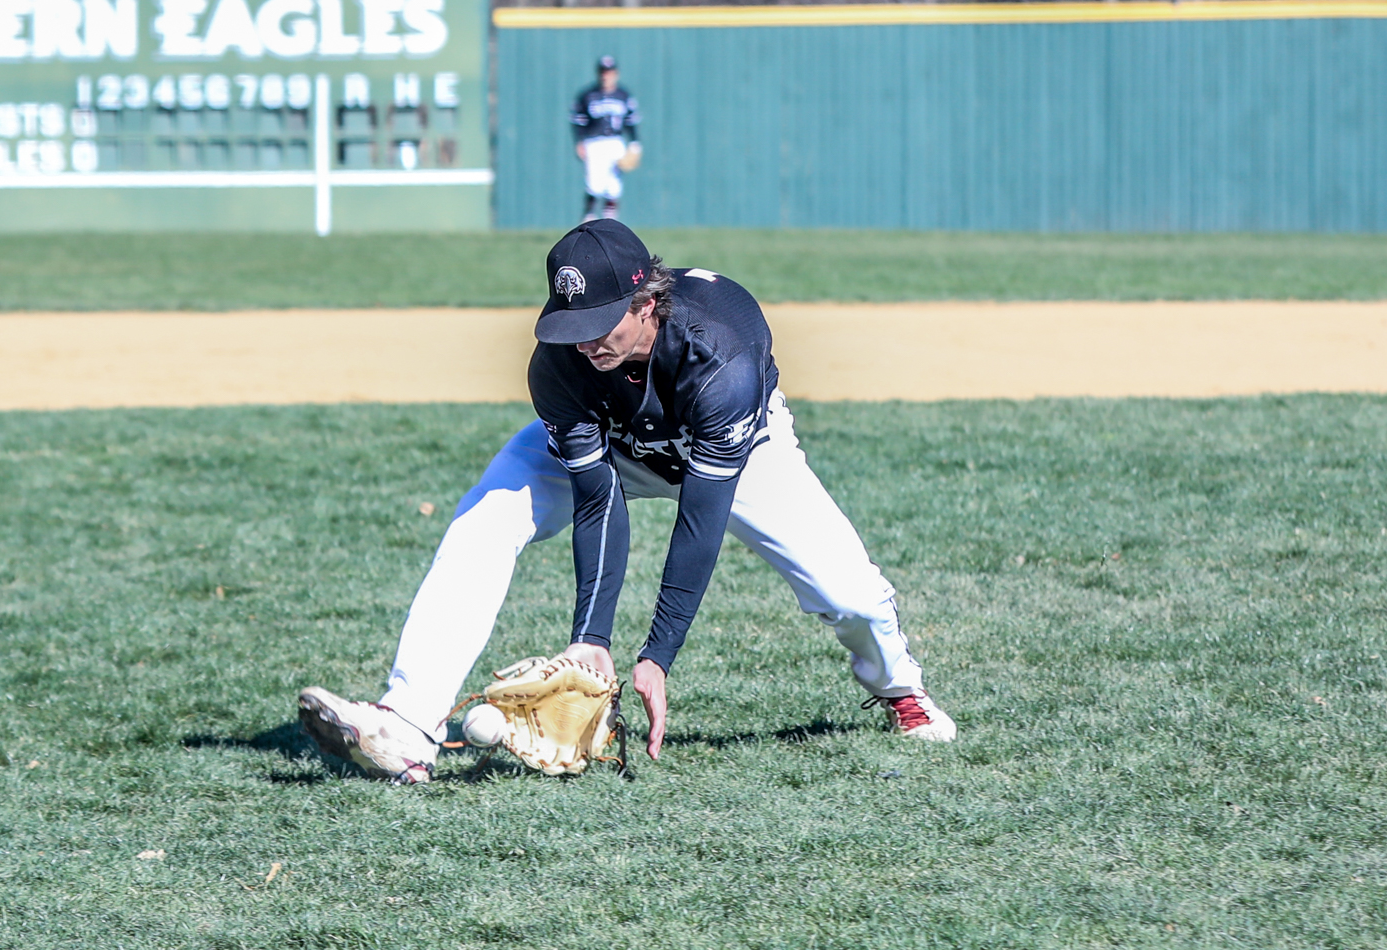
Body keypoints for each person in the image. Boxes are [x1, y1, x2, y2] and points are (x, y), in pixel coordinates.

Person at [299, 220, 957, 785]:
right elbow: (596, 498)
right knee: (486, 517)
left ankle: (899, 687)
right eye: (570, 323)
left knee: (850, 596)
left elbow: (701, 515)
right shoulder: (560, 365)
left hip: (736, 451)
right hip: (617, 444)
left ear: (647, 301)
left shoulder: (719, 354)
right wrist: (593, 639)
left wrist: (657, 655)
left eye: (598, 322)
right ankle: (407, 725)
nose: (584, 340)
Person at [570, 55, 640, 222]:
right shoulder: (588, 95)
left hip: (615, 142)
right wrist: (579, 141)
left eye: (609, 72)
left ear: (616, 73)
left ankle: (611, 223)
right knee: (594, 184)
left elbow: (631, 121)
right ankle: (588, 220)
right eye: (603, 72)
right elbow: (578, 121)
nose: (606, 75)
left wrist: (635, 143)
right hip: (594, 142)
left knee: (613, 187)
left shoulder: (623, 95)